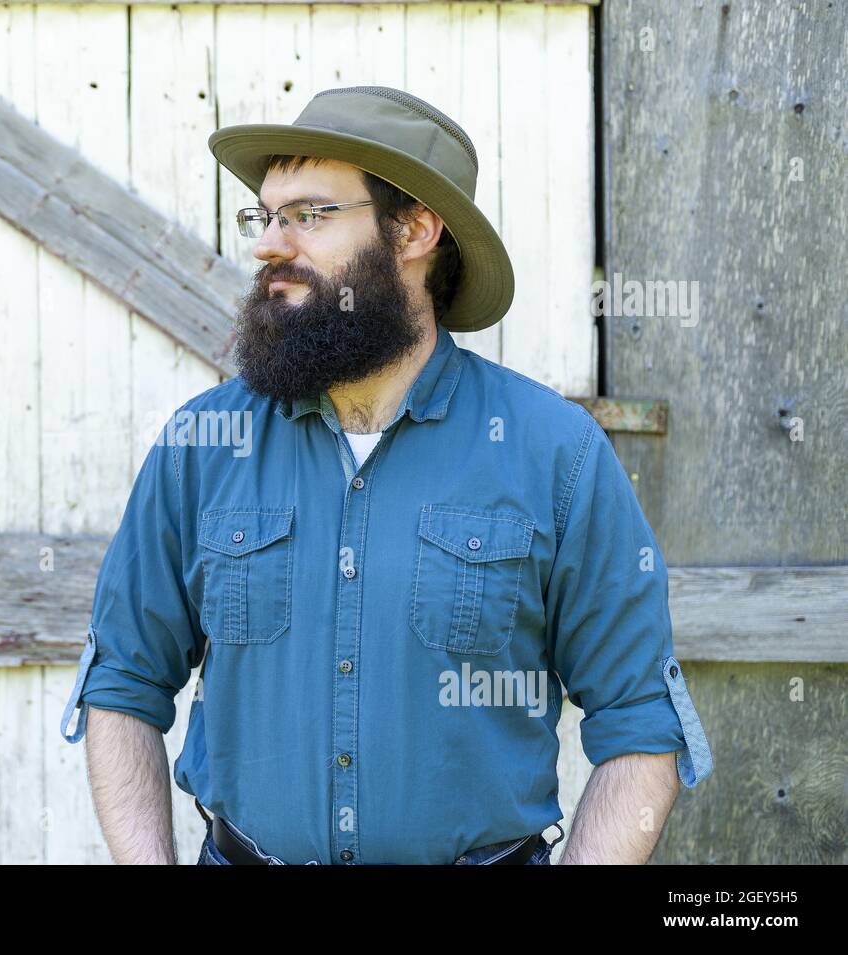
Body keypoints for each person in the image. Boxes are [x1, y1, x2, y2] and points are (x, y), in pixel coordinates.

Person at [60, 85, 712, 865]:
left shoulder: (554, 452)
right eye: (264, 216)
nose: (270, 242)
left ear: (414, 229)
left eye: (309, 214)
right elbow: (122, 684)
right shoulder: (204, 444)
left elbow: (640, 723)